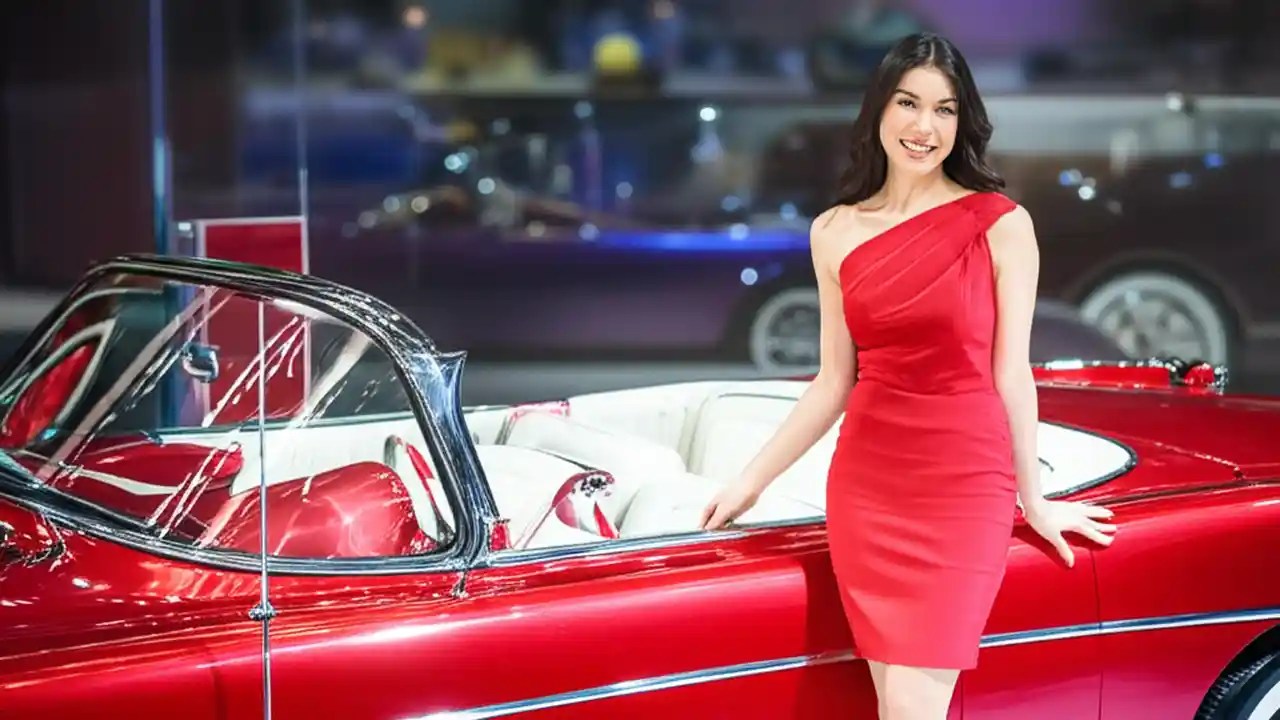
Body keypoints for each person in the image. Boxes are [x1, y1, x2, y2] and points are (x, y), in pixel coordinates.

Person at [699, 33, 1117, 720]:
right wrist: (750, 480)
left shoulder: (1001, 225)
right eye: (909, 103)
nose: (925, 127)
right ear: (879, 110)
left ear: (963, 123)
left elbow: (1013, 374)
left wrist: (1034, 500)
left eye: (946, 110)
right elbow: (834, 380)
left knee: (916, 704)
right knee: (895, 702)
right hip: (869, 488)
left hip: (962, 487)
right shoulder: (833, 231)